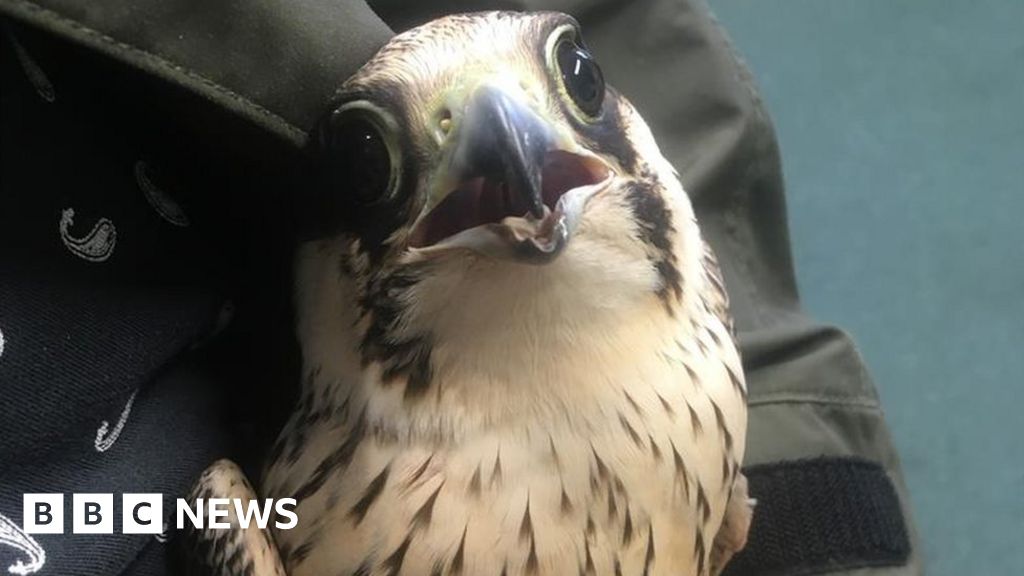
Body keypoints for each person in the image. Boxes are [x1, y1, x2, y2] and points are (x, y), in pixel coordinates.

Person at [0, 0, 921, 574]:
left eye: (576, 83)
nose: (503, 131)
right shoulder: (251, 520)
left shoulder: (723, 428)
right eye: (376, 165)